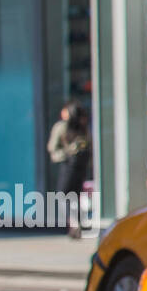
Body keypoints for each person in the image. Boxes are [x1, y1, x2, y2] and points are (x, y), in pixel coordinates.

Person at [46, 100, 91, 234]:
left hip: (69, 164)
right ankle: (78, 220)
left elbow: (52, 147)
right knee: (76, 194)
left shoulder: (62, 127)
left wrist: (64, 154)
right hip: (81, 164)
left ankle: (74, 222)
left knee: (63, 194)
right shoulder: (83, 127)